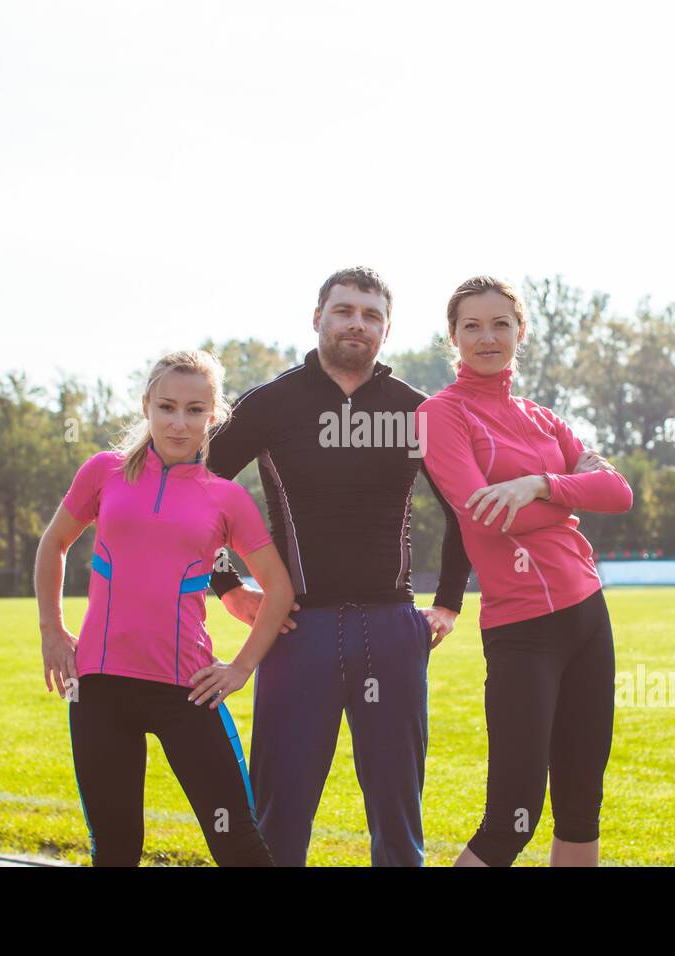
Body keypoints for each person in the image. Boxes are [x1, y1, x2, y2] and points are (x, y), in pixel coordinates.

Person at [204, 266, 473, 867]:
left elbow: (462, 508)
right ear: (318, 318)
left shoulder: (414, 411)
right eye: (345, 311)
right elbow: (201, 489)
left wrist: (450, 601)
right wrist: (226, 585)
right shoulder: (272, 403)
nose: (358, 324)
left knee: (399, 821)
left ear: (386, 329)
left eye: (371, 315)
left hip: (392, 628)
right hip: (299, 631)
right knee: (280, 815)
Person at [34, 349, 294, 867]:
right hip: (100, 687)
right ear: (147, 405)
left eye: (195, 410)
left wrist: (240, 669)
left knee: (237, 843)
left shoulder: (225, 498)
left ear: (213, 415)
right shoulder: (103, 472)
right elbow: (53, 544)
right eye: (168, 407)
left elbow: (279, 590)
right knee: (115, 848)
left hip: (187, 690)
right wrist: (53, 632)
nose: (179, 422)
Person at [417, 275, 633, 867]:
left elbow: (617, 492)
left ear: (520, 332)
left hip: (589, 617)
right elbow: (484, 518)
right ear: (454, 337)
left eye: (500, 324)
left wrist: (536, 484)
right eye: (472, 326)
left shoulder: (542, 418)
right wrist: (570, 497)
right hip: (524, 632)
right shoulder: (441, 416)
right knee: (513, 818)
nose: (487, 337)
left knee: (582, 802)